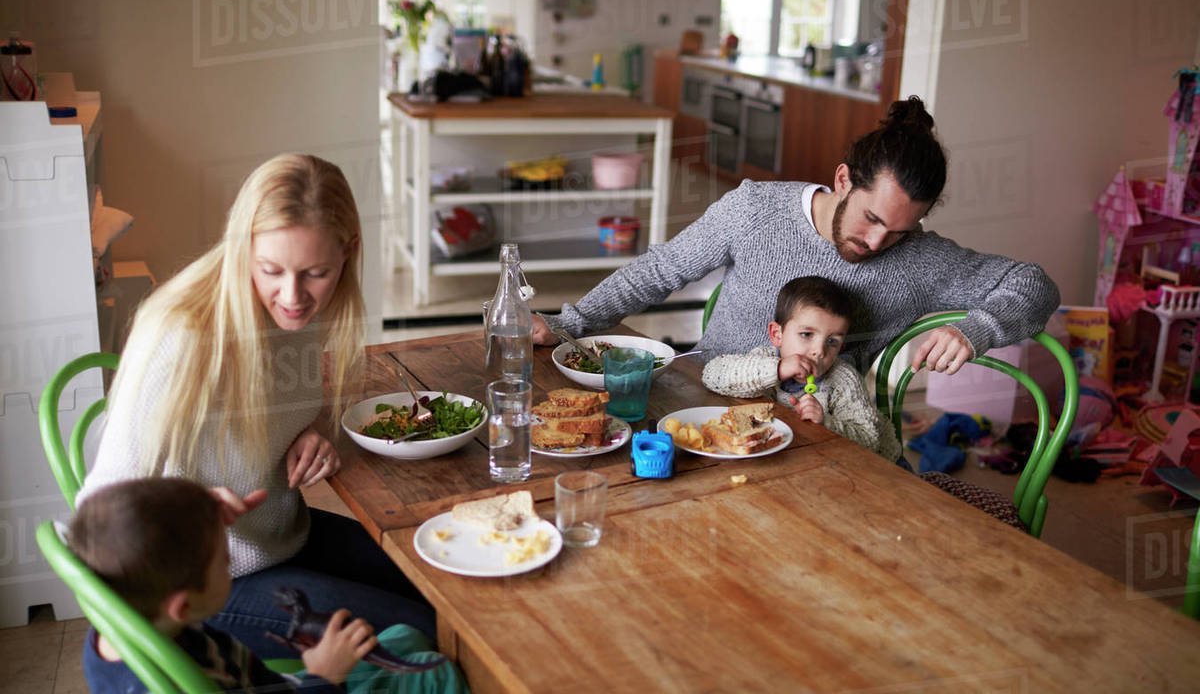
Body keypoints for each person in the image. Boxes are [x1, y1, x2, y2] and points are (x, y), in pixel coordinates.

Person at [76, 153, 436, 658]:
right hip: (215, 581)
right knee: (426, 626)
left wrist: (317, 433)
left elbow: (286, 406)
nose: (293, 296)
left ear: (348, 253)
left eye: (316, 272)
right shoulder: (182, 335)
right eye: (270, 270)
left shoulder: (309, 312)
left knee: (445, 584)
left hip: (287, 537)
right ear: (241, 249)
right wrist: (194, 516)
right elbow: (101, 507)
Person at [533, 96, 1060, 378]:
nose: (877, 244)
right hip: (705, 394)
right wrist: (569, 323)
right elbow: (659, 271)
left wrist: (977, 329)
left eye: (900, 231)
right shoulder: (755, 208)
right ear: (842, 180)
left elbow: (1034, 284)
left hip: (815, 432)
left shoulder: (922, 258)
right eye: (871, 220)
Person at [70, 477, 467, 694]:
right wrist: (322, 677)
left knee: (404, 636)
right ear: (184, 607)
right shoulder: (168, 683)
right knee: (444, 675)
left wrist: (196, 515)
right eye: (225, 562)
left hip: (274, 681)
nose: (234, 563)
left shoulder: (129, 614)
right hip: (309, 685)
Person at [701, 275, 903, 462]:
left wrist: (826, 422)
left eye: (832, 341)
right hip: (789, 457)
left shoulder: (843, 380)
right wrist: (777, 369)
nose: (819, 351)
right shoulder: (765, 360)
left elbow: (870, 440)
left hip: (870, 466)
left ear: (841, 347)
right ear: (777, 334)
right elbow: (712, 375)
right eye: (807, 334)